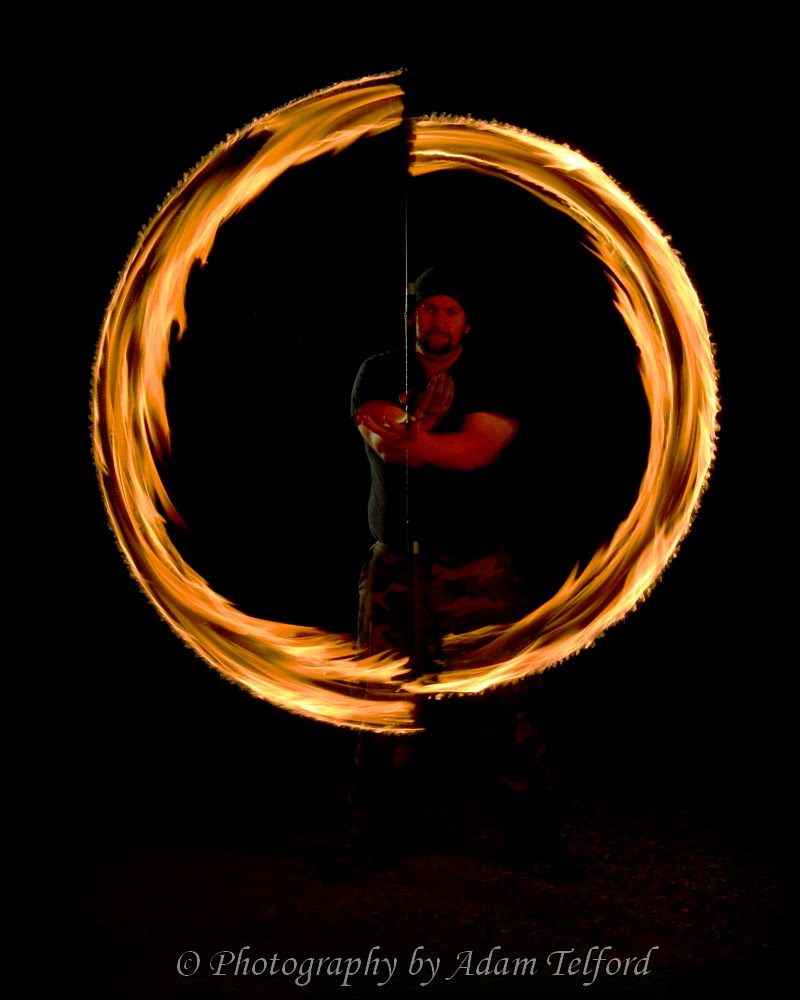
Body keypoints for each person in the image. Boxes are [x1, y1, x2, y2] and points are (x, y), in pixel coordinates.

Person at [327, 264, 574, 880]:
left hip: (478, 567)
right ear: (413, 315)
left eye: (450, 310)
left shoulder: (497, 375)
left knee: (508, 707)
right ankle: (370, 841)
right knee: (382, 708)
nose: (437, 320)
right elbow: (385, 442)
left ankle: (537, 839)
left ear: (468, 322)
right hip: (394, 569)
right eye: (427, 308)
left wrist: (421, 436)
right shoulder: (381, 368)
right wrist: (426, 429)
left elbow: (478, 452)